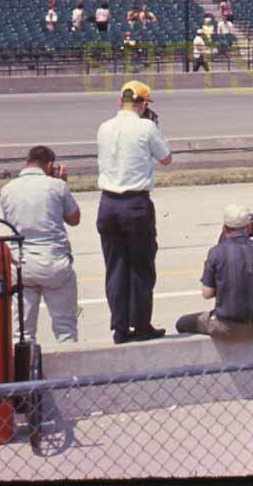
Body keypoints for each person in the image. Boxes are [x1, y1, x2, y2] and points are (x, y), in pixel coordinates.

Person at [95, 80, 173, 344]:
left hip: (107, 204)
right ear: (142, 104)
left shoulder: (104, 127)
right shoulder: (146, 127)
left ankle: (119, 327)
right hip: (135, 204)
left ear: (120, 101)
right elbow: (166, 158)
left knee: (115, 266)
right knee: (141, 266)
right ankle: (140, 324)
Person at [0, 145, 82, 343]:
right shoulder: (57, 186)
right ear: (50, 165)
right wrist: (62, 183)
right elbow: (74, 218)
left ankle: (24, 371)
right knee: (65, 328)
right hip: (54, 263)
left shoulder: (7, 190)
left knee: (23, 334)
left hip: (22, 265)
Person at [175, 204, 253, 339]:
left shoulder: (216, 252)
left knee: (182, 323)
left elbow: (207, 293)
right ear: (249, 227)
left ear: (224, 228)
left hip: (227, 327)